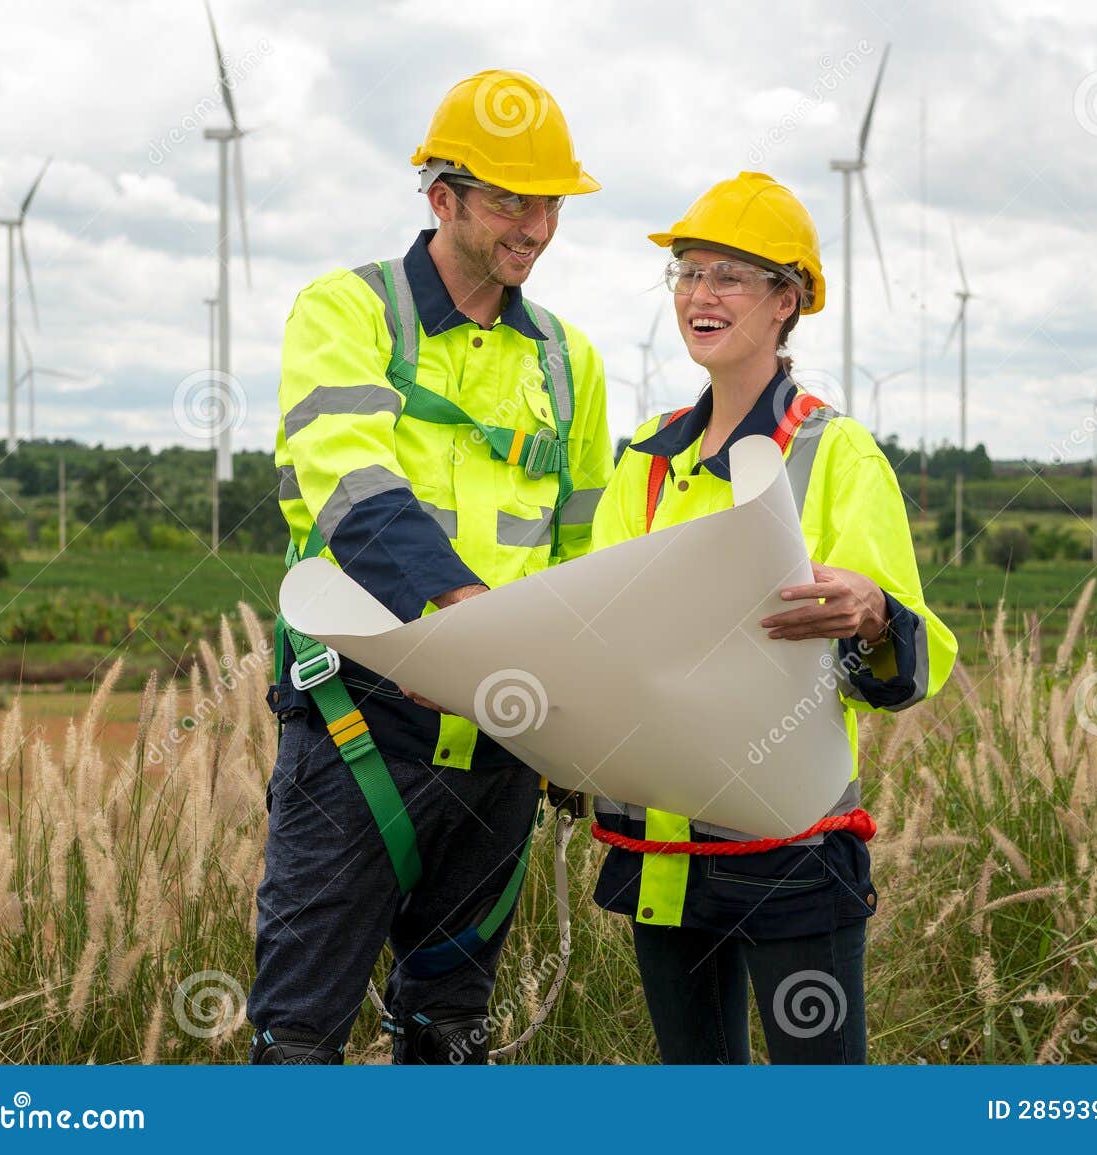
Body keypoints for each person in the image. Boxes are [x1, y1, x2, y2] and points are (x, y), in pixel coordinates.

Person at [248, 70, 611, 1064]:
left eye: (550, 203)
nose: (536, 227)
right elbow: (349, 482)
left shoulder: (569, 360)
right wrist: (456, 614)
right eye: (509, 201)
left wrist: (584, 715)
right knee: (300, 1035)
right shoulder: (346, 311)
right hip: (362, 723)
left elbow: (584, 549)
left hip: (504, 738)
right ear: (442, 198)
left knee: (452, 1028)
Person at [587, 172, 957, 1064]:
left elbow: (911, 659)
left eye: (728, 276)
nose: (700, 295)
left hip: (790, 845)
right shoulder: (644, 460)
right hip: (664, 844)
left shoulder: (836, 453)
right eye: (687, 272)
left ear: (786, 300)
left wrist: (873, 614)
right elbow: (597, 626)